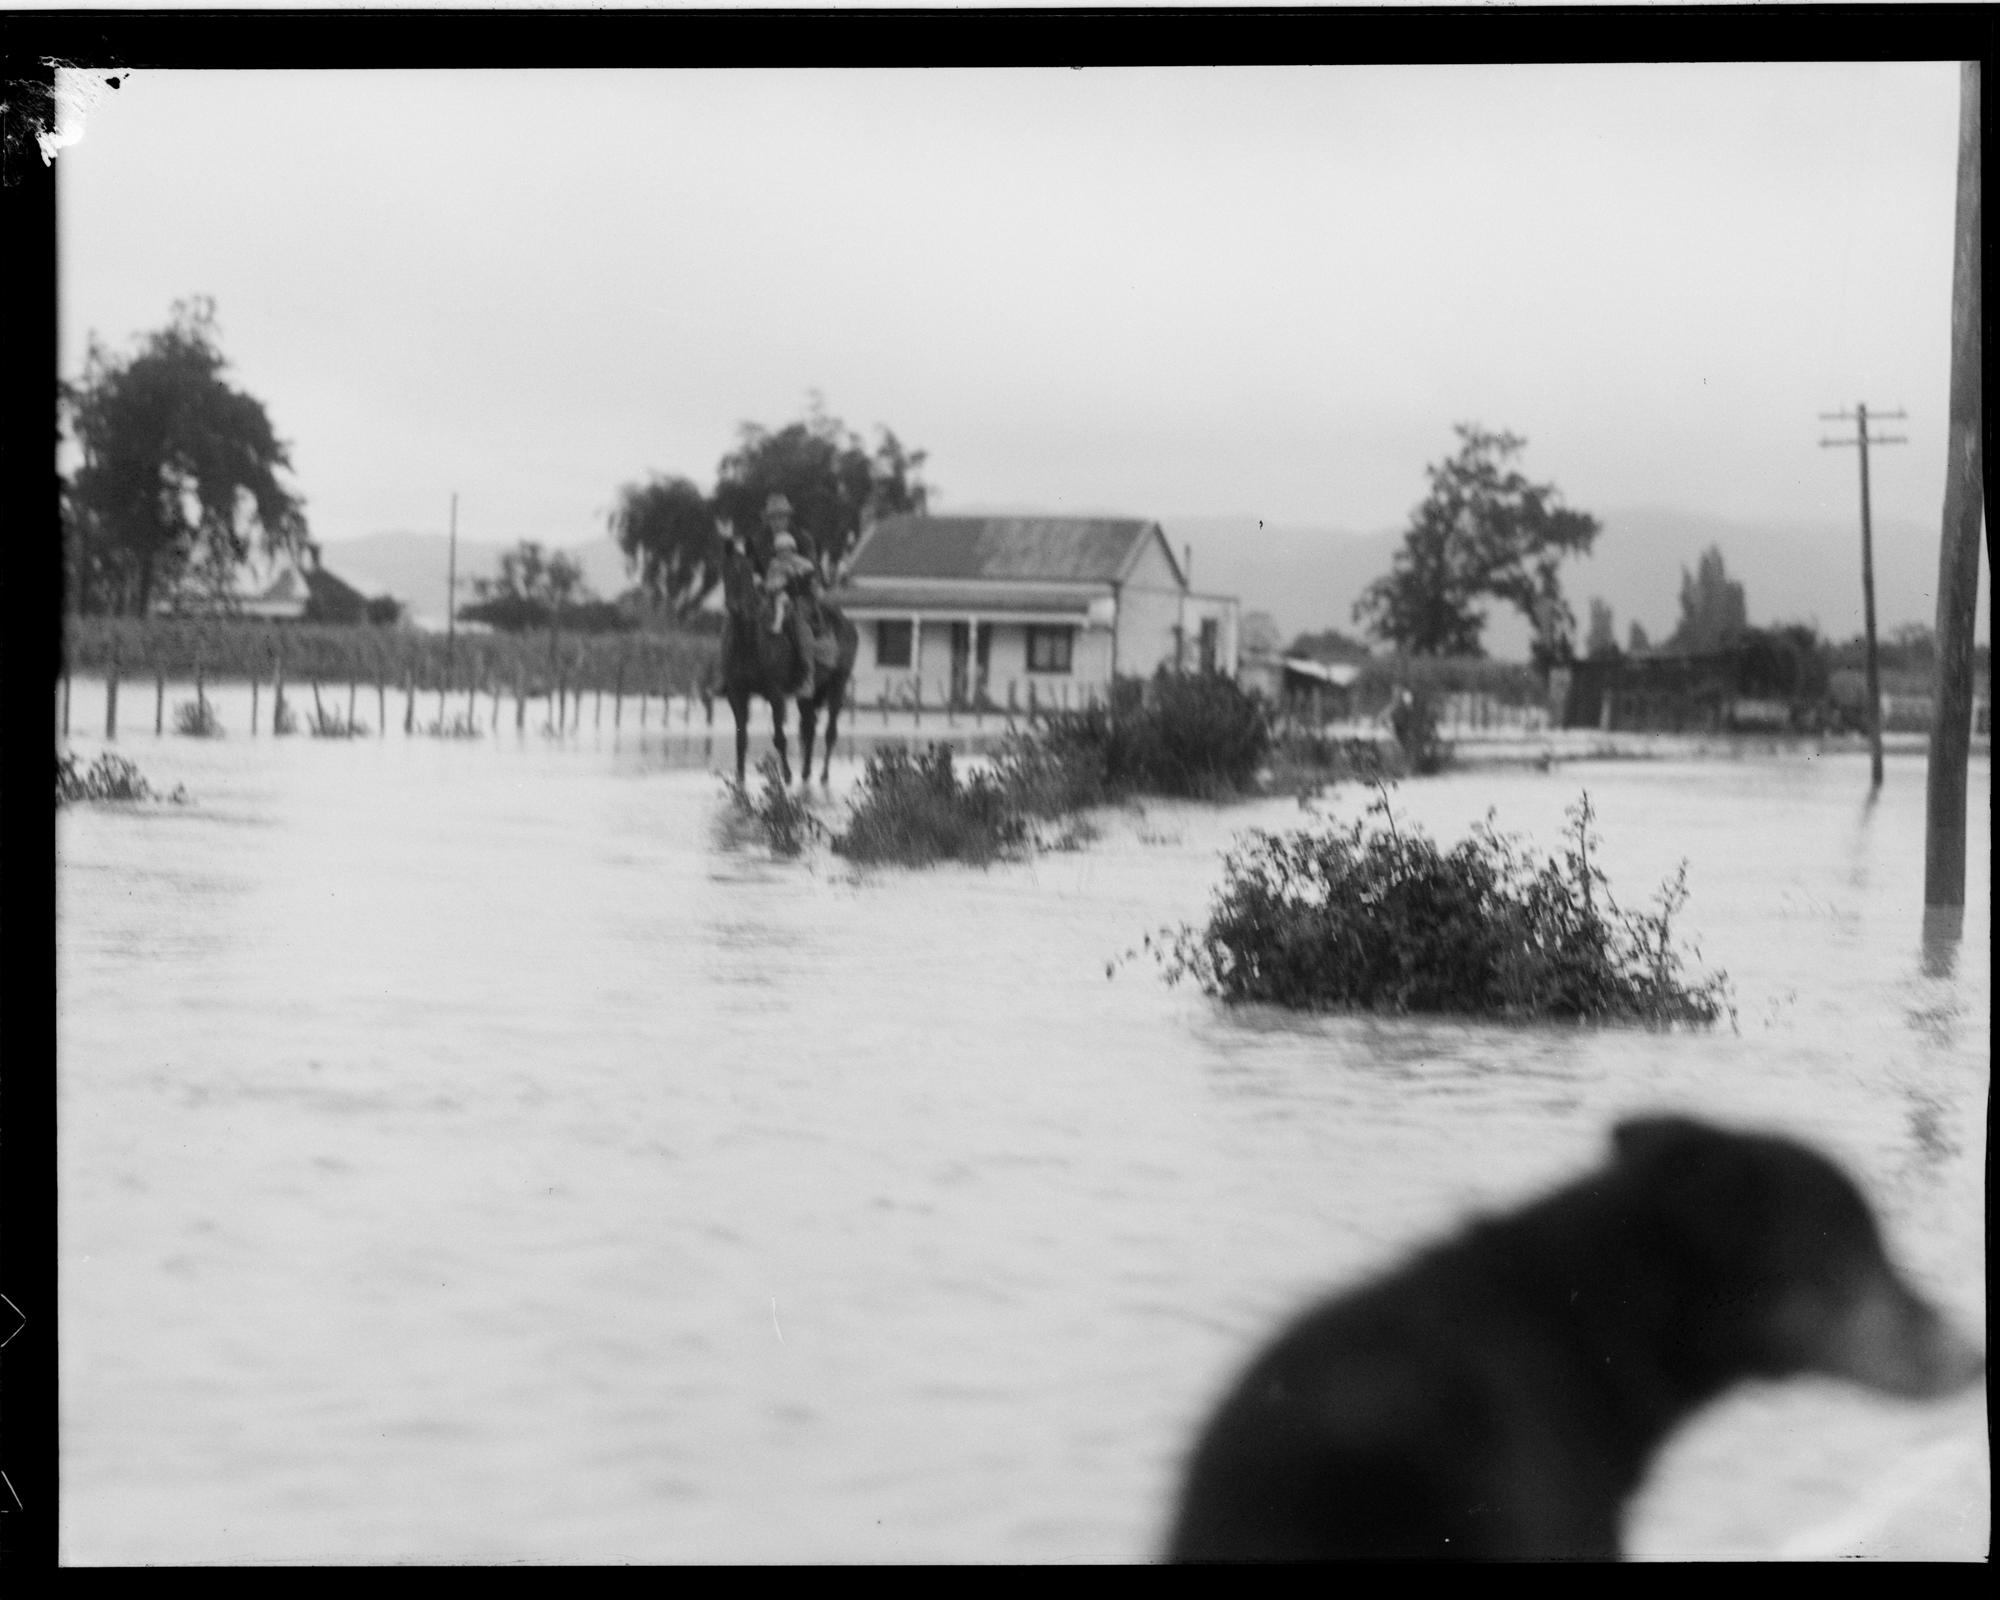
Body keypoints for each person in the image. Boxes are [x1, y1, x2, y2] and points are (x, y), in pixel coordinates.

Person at [760, 494, 821, 699]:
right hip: (769, 591)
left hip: (799, 593)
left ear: (788, 518)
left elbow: (812, 571)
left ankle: (808, 677)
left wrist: (795, 582)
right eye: (772, 518)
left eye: (780, 517)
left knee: (799, 622)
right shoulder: (763, 540)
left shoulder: (803, 539)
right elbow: (757, 567)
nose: (776, 522)